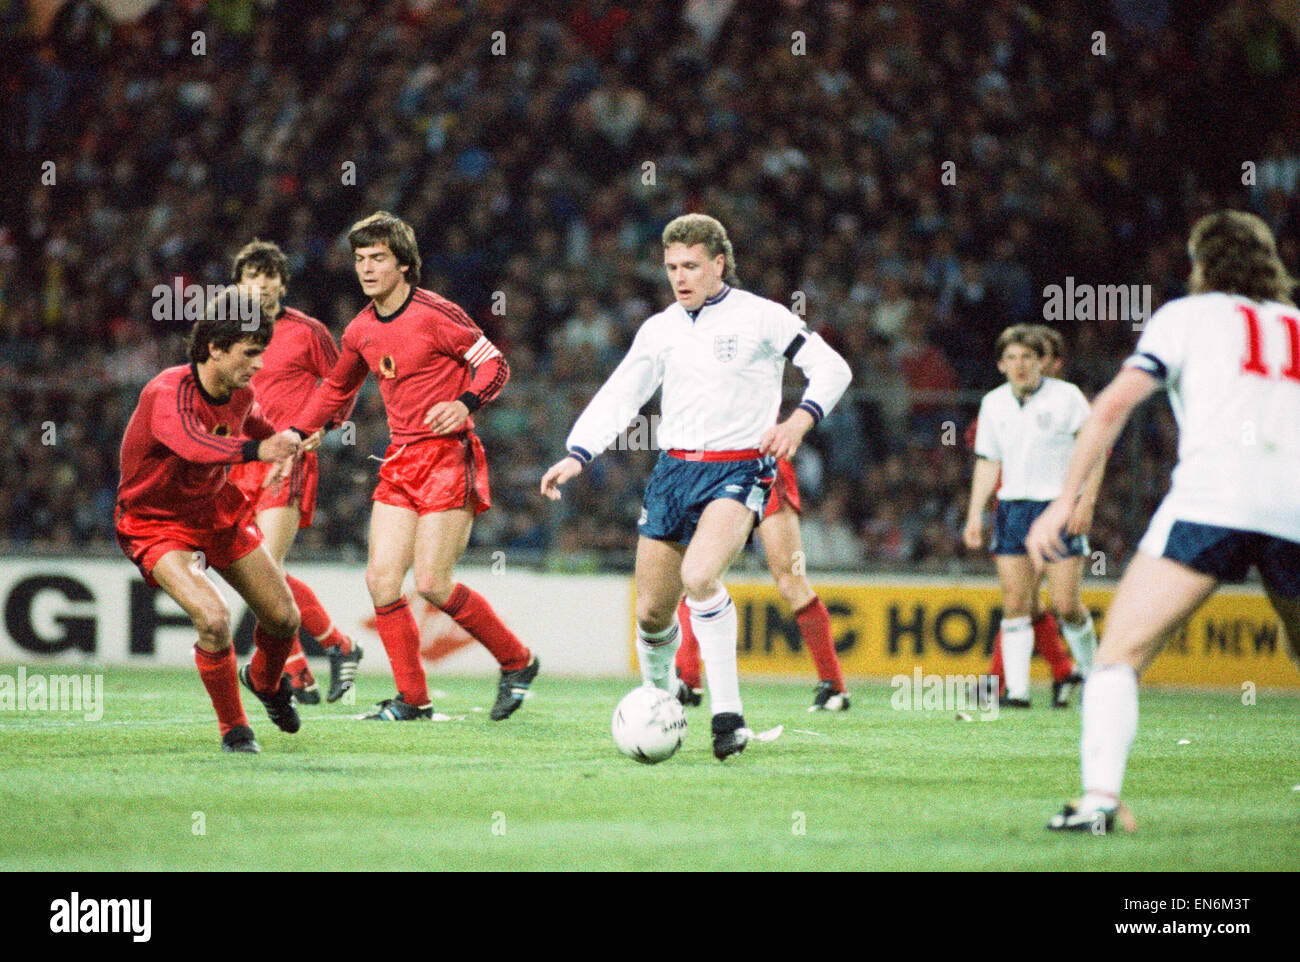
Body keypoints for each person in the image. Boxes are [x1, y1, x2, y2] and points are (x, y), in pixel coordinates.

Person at [540, 213, 852, 759]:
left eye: (690, 266)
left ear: (718, 264)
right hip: (673, 472)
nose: (679, 277)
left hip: (740, 468)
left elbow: (834, 370)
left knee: (701, 575)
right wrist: (578, 452)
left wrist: (799, 420)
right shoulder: (660, 328)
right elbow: (622, 393)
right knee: (652, 613)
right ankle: (659, 704)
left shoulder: (762, 316)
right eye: (671, 268)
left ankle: (728, 719)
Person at [1028, 211, 1300, 833]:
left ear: (1201, 262)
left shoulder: (1185, 317)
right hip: (1294, 507)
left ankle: (1099, 800)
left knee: (1119, 655)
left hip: (1214, 500)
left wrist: (1065, 498)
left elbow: (1114, 405)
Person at [293, 212, 538, 722]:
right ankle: (413, 699)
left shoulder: (437, 315)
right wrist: (296, 434)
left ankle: (518, 661)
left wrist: (466, 403)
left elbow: (495, 364)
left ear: (404, 264)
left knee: (431, 583)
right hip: (401, 459)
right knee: (382, 581)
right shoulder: (360, 328)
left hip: (449, 458)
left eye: (377, 258)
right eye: (359, 259)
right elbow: (338, 389)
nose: (366, 268)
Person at [115, 287, 309, 753]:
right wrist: (257, 450)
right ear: (215, 349)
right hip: (156, 523)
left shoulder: (241, 392)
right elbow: (193, 444)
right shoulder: (166, 391)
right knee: (214, 618)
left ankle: (263, 679)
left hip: (216, 511)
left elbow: (257, 421)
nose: (259, 364)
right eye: (250, 353)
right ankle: (235, 731)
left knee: (284, 618)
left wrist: (285, 441)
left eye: (262, 353)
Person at [225, 240, 363, 705]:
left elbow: (344, 383)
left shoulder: (307, 332)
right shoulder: (225, 334)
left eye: (270, 276)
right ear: (238, 284)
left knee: (265, 566)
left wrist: (322, 426)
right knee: (251, 571)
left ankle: (335, 647)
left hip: (287, 458)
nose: (261, 284)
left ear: (283, 284)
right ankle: (300, 667)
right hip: (238, 461)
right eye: (252, 275)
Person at [963, 325, 1103, 707]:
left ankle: (1097, 681)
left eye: (1027, 357)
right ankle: (1019, 693)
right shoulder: (993, 403)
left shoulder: (1067, 397)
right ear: (1000, 364)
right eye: (1011, 358)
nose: (1020, 364)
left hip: (1057, 509)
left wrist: (1086, 502)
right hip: (1012, 509)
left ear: (1042, 362)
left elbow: (1095, 449)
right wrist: (975, 514)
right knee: (1015, 603)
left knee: (1066, 604)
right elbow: (989, 461)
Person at [673, 455, 851, 712]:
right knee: (695, 574)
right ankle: (687, 680)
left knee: (792, 582)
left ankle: (834, 685)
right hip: (711, 468)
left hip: (762, 467)